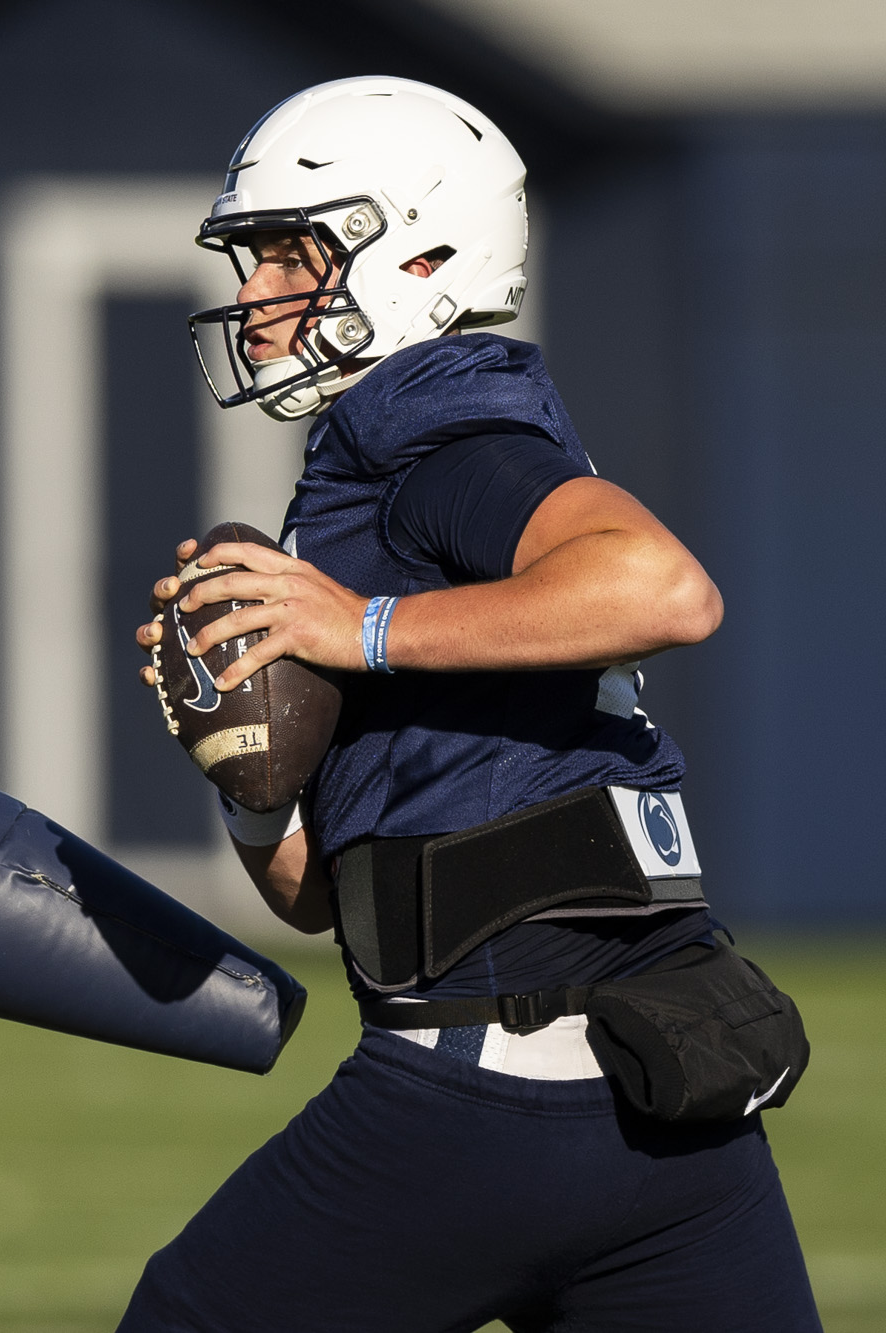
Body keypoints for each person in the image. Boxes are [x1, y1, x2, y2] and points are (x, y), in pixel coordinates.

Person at [123, 77, 821, 1331]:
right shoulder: (412, 464)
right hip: (662, 1107)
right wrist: (246, 782)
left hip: (487, 1101)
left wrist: (356, 627)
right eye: (252, 258)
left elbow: (664, 586)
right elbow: (324, 903)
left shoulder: (434, 438)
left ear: (422, 251)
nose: (254, 294)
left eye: (293, 253)